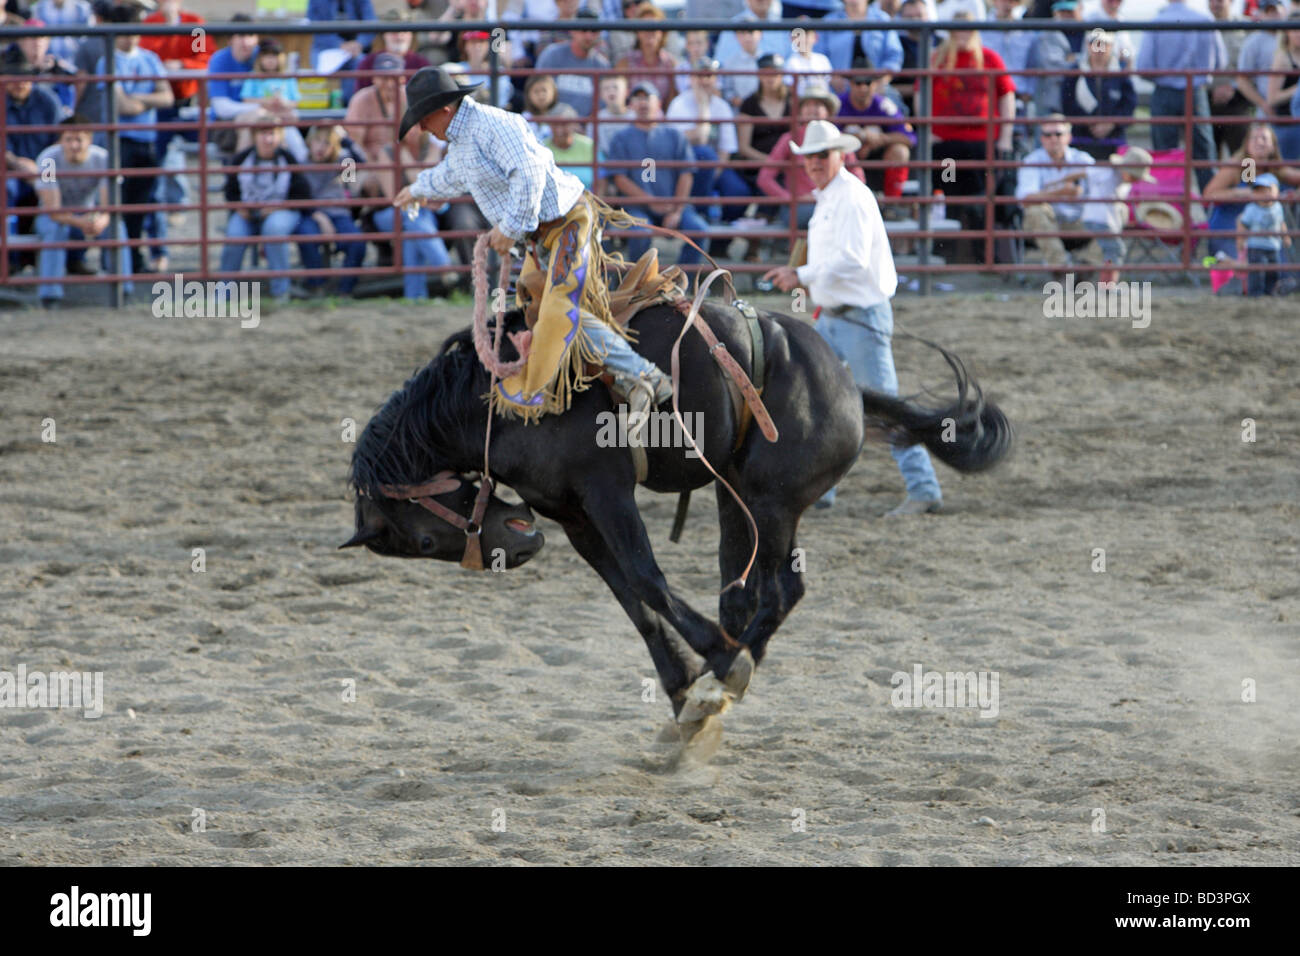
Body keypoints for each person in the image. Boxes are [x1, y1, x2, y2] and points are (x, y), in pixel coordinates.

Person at [391, 67, 673, 421]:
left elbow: (528, 174)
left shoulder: (494, 125)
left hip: (570, 223)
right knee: (539, 309)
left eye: (422, 119)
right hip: (542, 235)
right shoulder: (463, 141)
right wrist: (417, 190)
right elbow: (450, 176)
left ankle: (647, 375)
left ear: (443, 111)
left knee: (558, 310)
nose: (421, 128)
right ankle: (616, 377)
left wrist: (510, 227)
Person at [761, 119, 943, 516]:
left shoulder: (850, 197)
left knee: (880, 406)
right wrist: (804, 275)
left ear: (839, 155)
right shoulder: (833, 197)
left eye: (821, 156)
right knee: (826, 403)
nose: (814, 163)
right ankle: (824, 491)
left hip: (857, 317)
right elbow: (840, 261)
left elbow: (852, 260)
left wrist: (801, 275)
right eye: (810, 157)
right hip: (837, 316)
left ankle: (923, 486)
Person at [928, 13, 1016, 258]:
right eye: (958, 30)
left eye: (968, 29)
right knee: (948, 196)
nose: (963, 35)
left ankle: (983, 256)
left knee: (981, 200)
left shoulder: (989, 58)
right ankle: (946, 256)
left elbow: (1007, 95)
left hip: (982, 144)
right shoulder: (938, 59)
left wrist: (1005, 136)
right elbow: (921, 93)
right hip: (947, 146)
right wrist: (930, 131)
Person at [97, 3, 173, 275]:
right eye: (127, 31)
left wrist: (138, 100)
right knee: (118, 203)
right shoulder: (107, 60)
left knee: (141, 204)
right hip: (119, 142)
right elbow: (123, 107)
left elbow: (168, 97)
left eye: (135, 30)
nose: (132, 37)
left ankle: (133, 259)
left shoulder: (150, 58)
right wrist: (147, 100)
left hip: (145, 140)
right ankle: (116, 261)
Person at [604, 83, 711, 267]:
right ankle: (638, 286)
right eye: (638, 98)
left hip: (672, 203)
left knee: (699, 230)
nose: (643, 103)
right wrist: (651, 201)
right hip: (637, 208)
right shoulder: (621, 137)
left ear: (659, 104)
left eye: (648, 98)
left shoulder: (674, 135)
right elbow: (619, 178)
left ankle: (681, 282)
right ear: (631, 105)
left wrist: (677, 210)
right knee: (639, 233)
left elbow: (687, 173)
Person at [33, 115, 132, 306]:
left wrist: (101, 220)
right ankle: (50, 296)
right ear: (60, 140)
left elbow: (109, 204)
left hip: (87, 213)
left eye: (79, 139)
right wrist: (84, 221)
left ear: (90, 140)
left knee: (116, 228)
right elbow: (53, 210)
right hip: (55, 217)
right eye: (68, 139)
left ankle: (123, 291)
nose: (74, 145)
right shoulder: (48, 160)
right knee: (54, 229)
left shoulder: (103, 158)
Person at [1136, 0, 1227, 192]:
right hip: (1195, 92)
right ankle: (1210, 208)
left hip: (1165, 92)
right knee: (1204, 156)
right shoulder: (1205, 20)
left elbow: (1143, 67)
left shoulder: (1156, 22)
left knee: (1164, 155)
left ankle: (1168, 211)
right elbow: (1221, 62)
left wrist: (1167, 72)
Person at [221, 113, 308, 306]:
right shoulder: (242, 159)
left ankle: (281, 291)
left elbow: (302, 194)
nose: (267, 139)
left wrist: (278, 206)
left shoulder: (289, 160)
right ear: (254, 136)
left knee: (274, 229)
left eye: (272, 133)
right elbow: (230, 191)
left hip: (281, 211)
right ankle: (223, 292)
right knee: (235, 235)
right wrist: (238, 206)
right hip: (248, 212)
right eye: (262, 133)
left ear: (280, 137)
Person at [758, 83, 865, 230]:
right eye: (807, 105)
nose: (812, 109)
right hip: (803, 208)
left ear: (827, 111)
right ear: (800, 111)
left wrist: (837, 197)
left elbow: (858, 177)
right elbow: (764, 178)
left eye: (818, 105)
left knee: (839, 213)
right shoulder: (789, 138)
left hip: (834, 203)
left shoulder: (837, 138)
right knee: (830, 215)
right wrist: (792, 199)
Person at [1202, 121, 1300, 257]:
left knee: (1280, 269)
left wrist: (1295, 194)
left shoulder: (1275, 169)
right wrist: (1242, 193)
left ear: (1273, 146)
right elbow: (1209, 195)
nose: (1259, 142)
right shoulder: (1236, 167)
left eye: (1264, 138)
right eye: (1254, 138)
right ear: (1247, 144)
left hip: (1264, 237)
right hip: (1231, 232)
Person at [1015, 115, 1098, 272]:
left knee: (1116, 210)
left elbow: (1102, 190)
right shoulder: (1032, 161)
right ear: (1042, 138)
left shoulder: (1083, 159)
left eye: (1058, 134)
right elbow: (1025, 199)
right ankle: (1061, 269)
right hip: (1046, 225)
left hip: (1080, 223)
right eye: (1048, 135)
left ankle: (1087, 267)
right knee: (1035, 211)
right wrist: (1060, 193)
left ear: (1069, 137)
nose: (1053, 139)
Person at [294, 125, 368, 296]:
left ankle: (344, 290)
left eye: (327, 143)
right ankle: (317, 286)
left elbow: (361, 161)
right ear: (309, 143)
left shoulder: (343, 161)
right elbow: (299, 195)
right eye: (317, 141)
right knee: (306, 235)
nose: (320, 147)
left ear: (334, 146)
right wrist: (319, 217)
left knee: (357, 243)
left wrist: (346, 139)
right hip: (311, 213)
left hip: (339, 213)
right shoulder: (301, 162)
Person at [839, 67, 915, 214]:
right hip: (847, 161)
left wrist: (881, 139)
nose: (863, 87)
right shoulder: (839, 104)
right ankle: (842, 203)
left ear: (875, 84)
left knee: (900, 151)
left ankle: (891, 205)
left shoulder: (884, 105)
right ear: (850, 84)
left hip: (878, 161)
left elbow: (909, 138)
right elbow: (829, 138)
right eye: (858, 83)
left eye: (868, 82)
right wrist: (861, 138)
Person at [1079, 145, 1157, 285]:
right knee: (1115, 250)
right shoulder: (1105, 172)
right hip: (1099, 219)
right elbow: (1084, 173)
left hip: (1106, 220)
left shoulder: (1122, 181)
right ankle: (1107, 285)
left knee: (1107, 252)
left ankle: (1094, 280)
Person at [1060, 29, 1137, 160]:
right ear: (1087, 45)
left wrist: (1112, 123)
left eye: (1103, 44)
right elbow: (1067, 102)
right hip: (1081, 138)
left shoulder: (1120, 74)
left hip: (1114, 139)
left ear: (1111, 46)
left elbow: (1129, 104)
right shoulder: (1074, 72)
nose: (1099, 49)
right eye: (1095, 43)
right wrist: (1088, 122)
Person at [534, 8, 609, 122]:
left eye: (594, 30)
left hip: (586, 131)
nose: (588, 36)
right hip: (551, 125)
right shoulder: (551, 55)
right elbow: (537, 94)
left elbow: (602, 106)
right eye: (583, 30)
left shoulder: (602, 65)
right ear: (572, 31)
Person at [1208, 0, 1254, 158]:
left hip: (1238, 102)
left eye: (1220, 0)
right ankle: (1212, 184)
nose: (1215, 4)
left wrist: (1233, 86)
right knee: (1207, 157)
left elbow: (1255, 66)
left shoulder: (1246, 27)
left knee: (1247, 153)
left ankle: (1251, 182)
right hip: (1207, 102)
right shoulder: (1200, 27)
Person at [1236, 172, 1290, 294]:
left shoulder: (1278, 207)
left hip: (1273, 245)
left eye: (1268, 190)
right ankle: (1255, 293)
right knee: (1256, 271)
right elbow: (1243, 223)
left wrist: (1285, 236)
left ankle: (1269, 291)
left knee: (1274, 270)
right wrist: (1240, 240)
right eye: (1259, 191)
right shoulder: (1251, 208)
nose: (1264, 194)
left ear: (1277, 192)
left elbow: (1281, 222)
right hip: (1255, 245)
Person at [615, 3, 679, 105]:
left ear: (662, 32)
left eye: (654, 27)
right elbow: (619, 100)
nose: (650, 32)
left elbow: (671, 102)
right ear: (637, 32)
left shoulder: (670, 64)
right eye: (645, 27)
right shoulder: (625, 63)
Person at [1265, 12, 1300, 158]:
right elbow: (1272, 99)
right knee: (1288, 173)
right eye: (1295, 29)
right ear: (1287, 32)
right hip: (1287, 127)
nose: (1299, 34)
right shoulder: (1282, 58)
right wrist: (1297, 89)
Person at [306, 0, 376, 73]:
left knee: (359, 64)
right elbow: (317, 31)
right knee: (322, 69)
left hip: (356, 48)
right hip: (325, 48)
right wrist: (340, 44)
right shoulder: (316, 1)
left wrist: (359, 43)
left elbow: (371, 24)